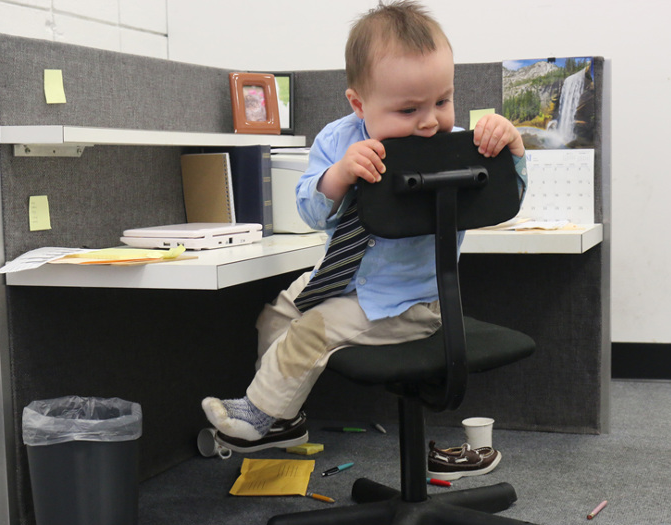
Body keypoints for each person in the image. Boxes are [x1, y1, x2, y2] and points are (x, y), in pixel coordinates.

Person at [203, 0, 527, 451]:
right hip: (339, 279)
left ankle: (260, 412)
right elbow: (310, 213)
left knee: (309, 334)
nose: (429, 122)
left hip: (407, 303)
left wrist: (512, 152)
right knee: (276, 315)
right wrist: (338, 176)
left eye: (442, 101)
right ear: (360, 103)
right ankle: (282, 418)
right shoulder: (336, 140)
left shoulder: (453, 149)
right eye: (408, 110)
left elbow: (503, 200)